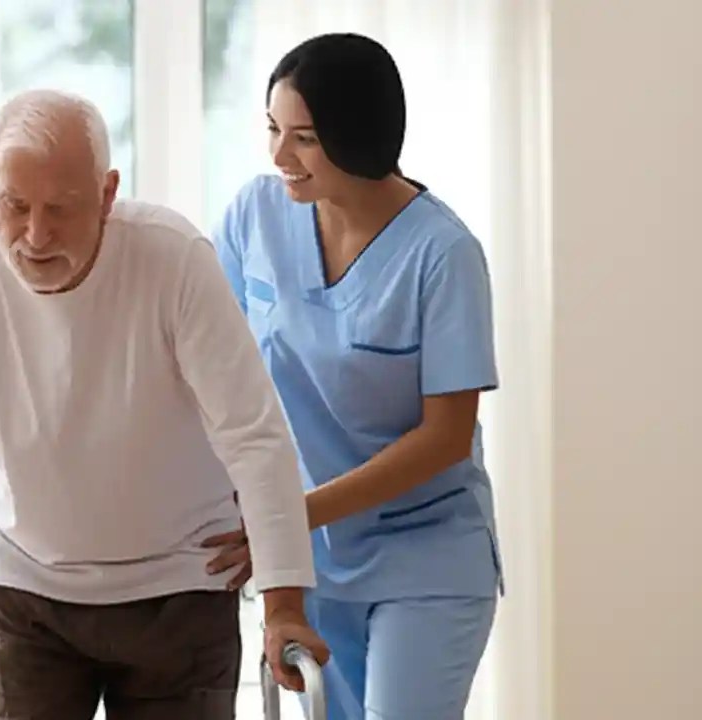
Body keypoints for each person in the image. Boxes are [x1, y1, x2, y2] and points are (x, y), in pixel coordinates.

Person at [0, 88, 328, 720]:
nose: (36, 236)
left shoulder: (173, 261)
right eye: (15, 206)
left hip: (177, 587)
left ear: (107, 194)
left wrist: (283, 605)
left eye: (62, 209)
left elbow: (254, 435)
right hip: (19, 590)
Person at [203, 33, 503, 720]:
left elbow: (445, 438)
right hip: (309, 557)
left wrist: (288, 515)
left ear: (357, 134)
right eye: (274, 130)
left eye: (304, 138)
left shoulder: (442, 254)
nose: (280, 156)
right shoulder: (256, 214)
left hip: (425, 554)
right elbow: (208, 367)